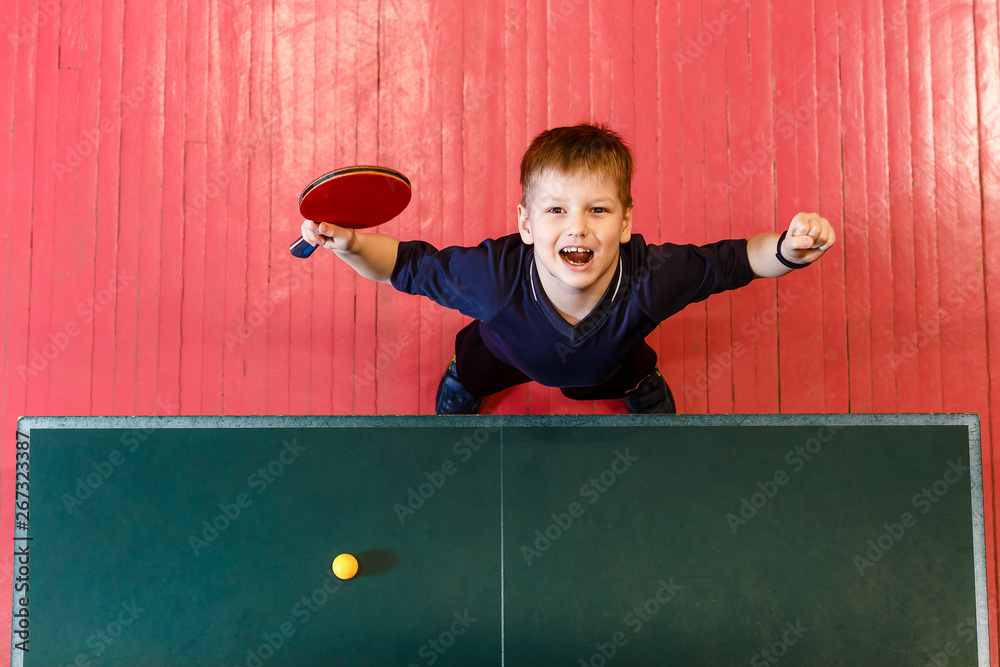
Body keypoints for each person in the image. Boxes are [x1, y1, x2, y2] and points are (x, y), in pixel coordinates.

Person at [299, 124, 835, 414]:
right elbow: (402, 264)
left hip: (609, 361)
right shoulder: (491, 278)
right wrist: (349, 245)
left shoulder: (652, 278)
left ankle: (638, 384)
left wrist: (788, 250)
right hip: (504, 352)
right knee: (476, 367)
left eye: (597, 210)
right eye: (556, 210)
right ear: (526, 223)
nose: (577, 228)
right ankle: (466, 381)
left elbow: (737, 261)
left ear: (625, 222)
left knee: (626, 372)